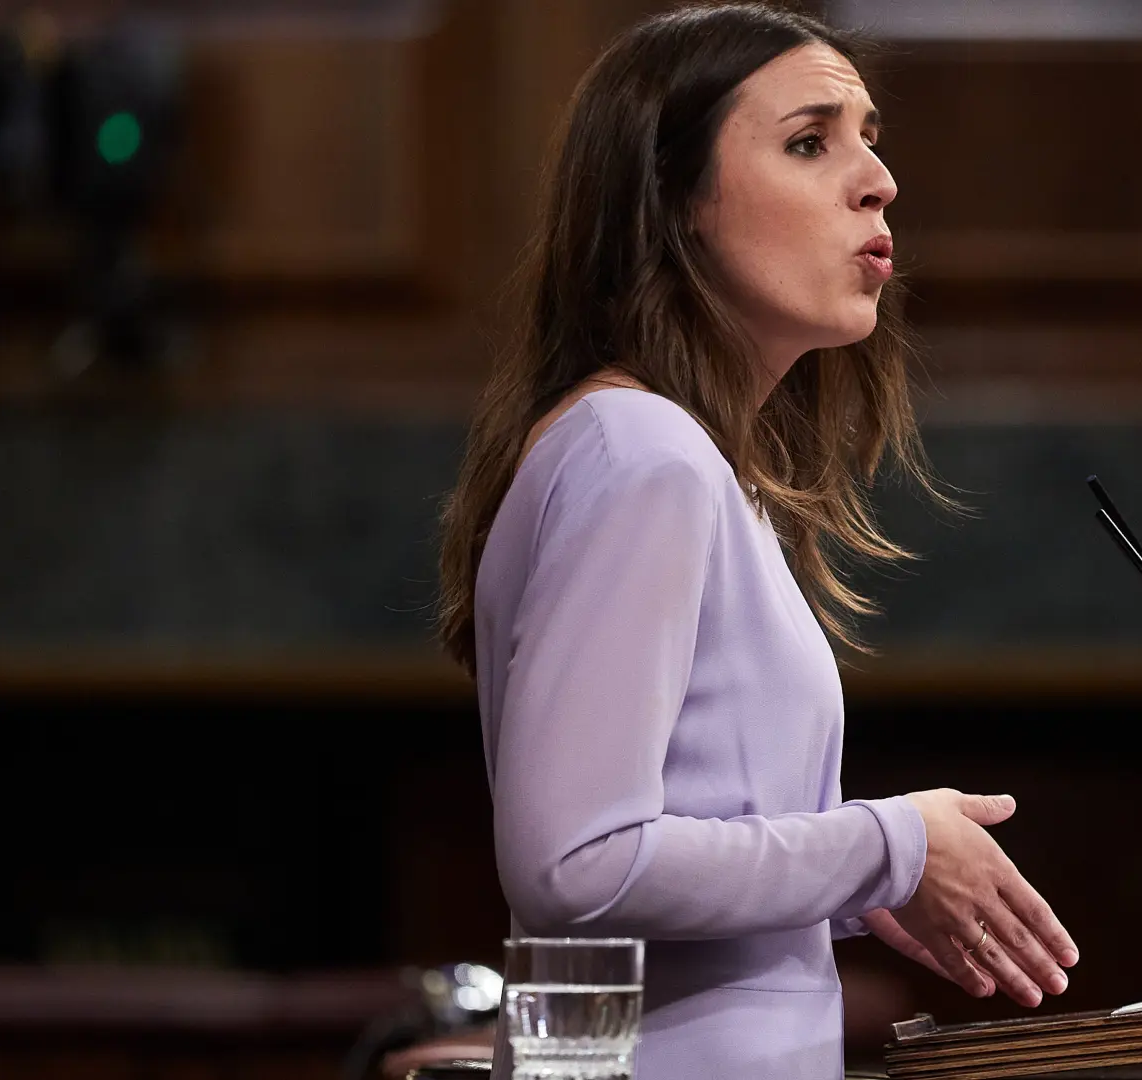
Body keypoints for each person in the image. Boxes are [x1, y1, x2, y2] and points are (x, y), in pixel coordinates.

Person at [431, 4, 1078, 1077]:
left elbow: (673, 851)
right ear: (673, 202)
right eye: (810, 141)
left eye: (871, 138)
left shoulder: (678, 460)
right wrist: (892, 845)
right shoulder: (644, 452)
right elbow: (576, 865)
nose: (878, 181)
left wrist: (862, 884)